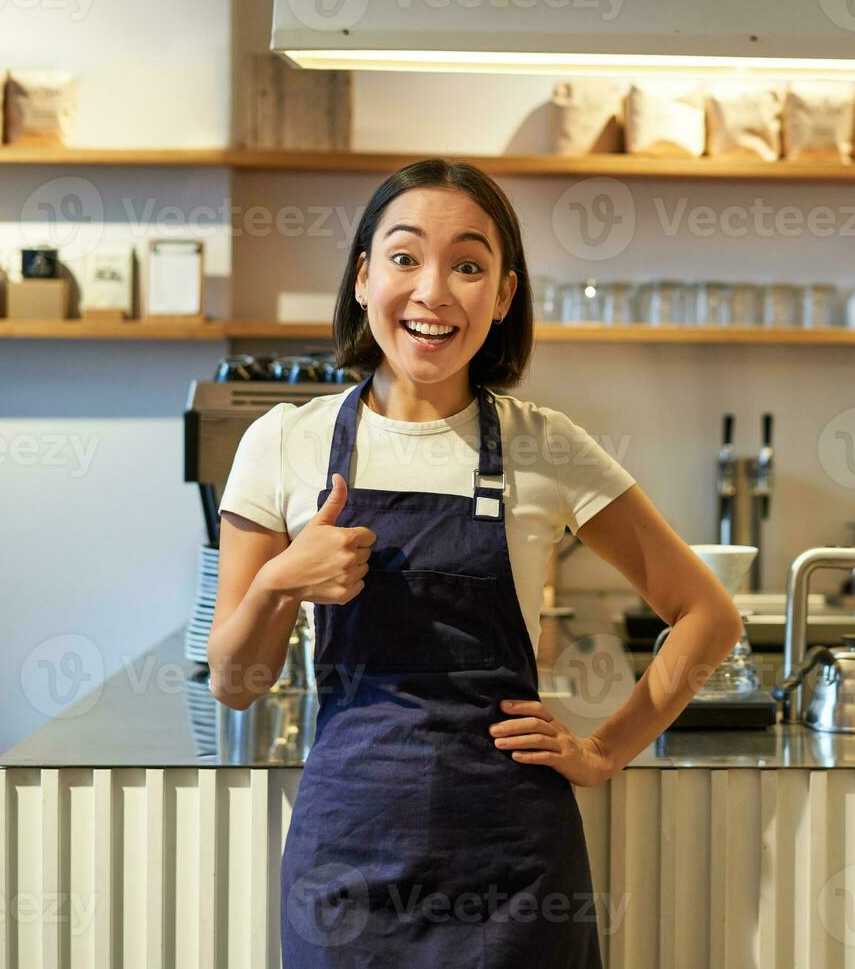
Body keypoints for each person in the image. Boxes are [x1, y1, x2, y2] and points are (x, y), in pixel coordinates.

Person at [207, 158, 742, 967]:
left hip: (513, 869)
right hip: (347, 863)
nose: (432, 292)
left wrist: (603, 751)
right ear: (363, 278)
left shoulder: (546, 444)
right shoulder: (284, 442)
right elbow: (235, 684)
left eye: (467, 265)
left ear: (503, 296)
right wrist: (281, 583)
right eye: (404, 257)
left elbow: (709, 616)